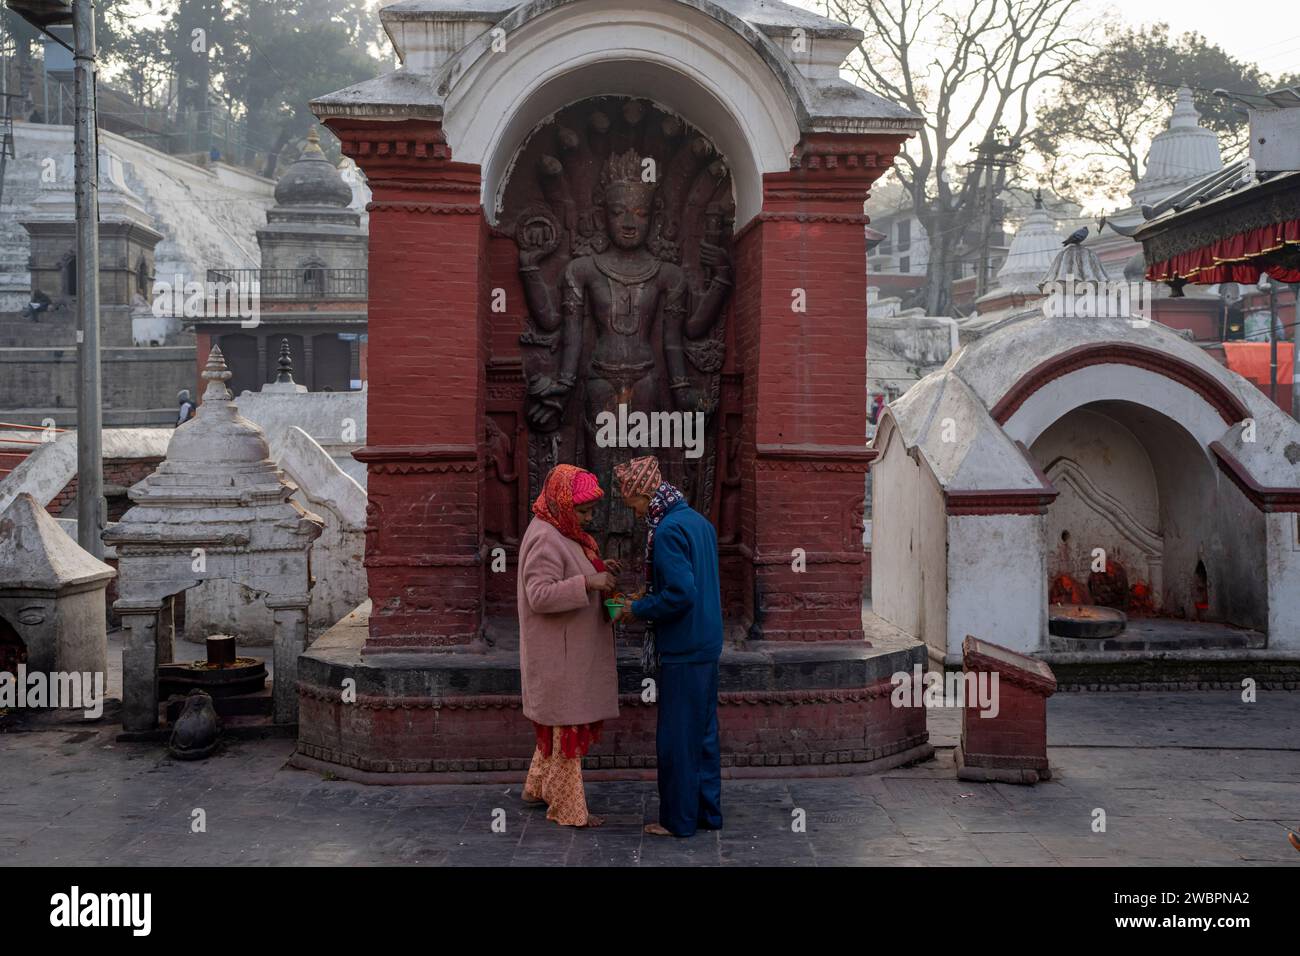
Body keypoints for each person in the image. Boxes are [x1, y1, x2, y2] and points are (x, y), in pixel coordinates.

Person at [614, 455, 723, 838]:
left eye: (635, 505)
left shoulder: (665, 532)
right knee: (704, 733)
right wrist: (652, 592)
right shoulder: (698, 522)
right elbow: (692, 582)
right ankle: (708, 813)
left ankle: (678, 820)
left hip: (684, 647)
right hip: (707, 643)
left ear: (646, 494)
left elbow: (681, 593)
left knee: (676, 737)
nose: (635, 513)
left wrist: (639, 607)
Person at [517, 463, 621, 827]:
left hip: (565, 654)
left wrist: (595, 570)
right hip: (560, 659)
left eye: (590, 510)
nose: (589, 518)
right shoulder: (546, 536)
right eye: (583, 510)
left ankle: (535, 788)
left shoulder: (561, 529)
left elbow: (566, 572)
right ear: (562, 503)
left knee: (558, 727)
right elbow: (540, 595)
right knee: (565, 733)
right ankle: (569, 810)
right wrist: (589, 584)